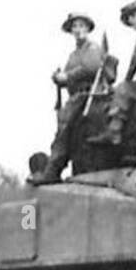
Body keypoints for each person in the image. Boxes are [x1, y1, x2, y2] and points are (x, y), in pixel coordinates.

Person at [29, 12, 104, 185]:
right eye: (74, 27)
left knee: (64, 129)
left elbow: (91, 67)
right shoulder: (74, 54)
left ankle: (53, 169)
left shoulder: (92, 48)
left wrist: (67, 76)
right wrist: (59, 78)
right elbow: (70, 76)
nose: (78, 30)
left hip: (88, 94)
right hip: (75, 95)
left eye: (81, 26)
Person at [87, 0, 136, 153]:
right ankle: (114, 131)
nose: (131, 21)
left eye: (134, 16)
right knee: (124, 89)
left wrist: (129, 76)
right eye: (129, 18)